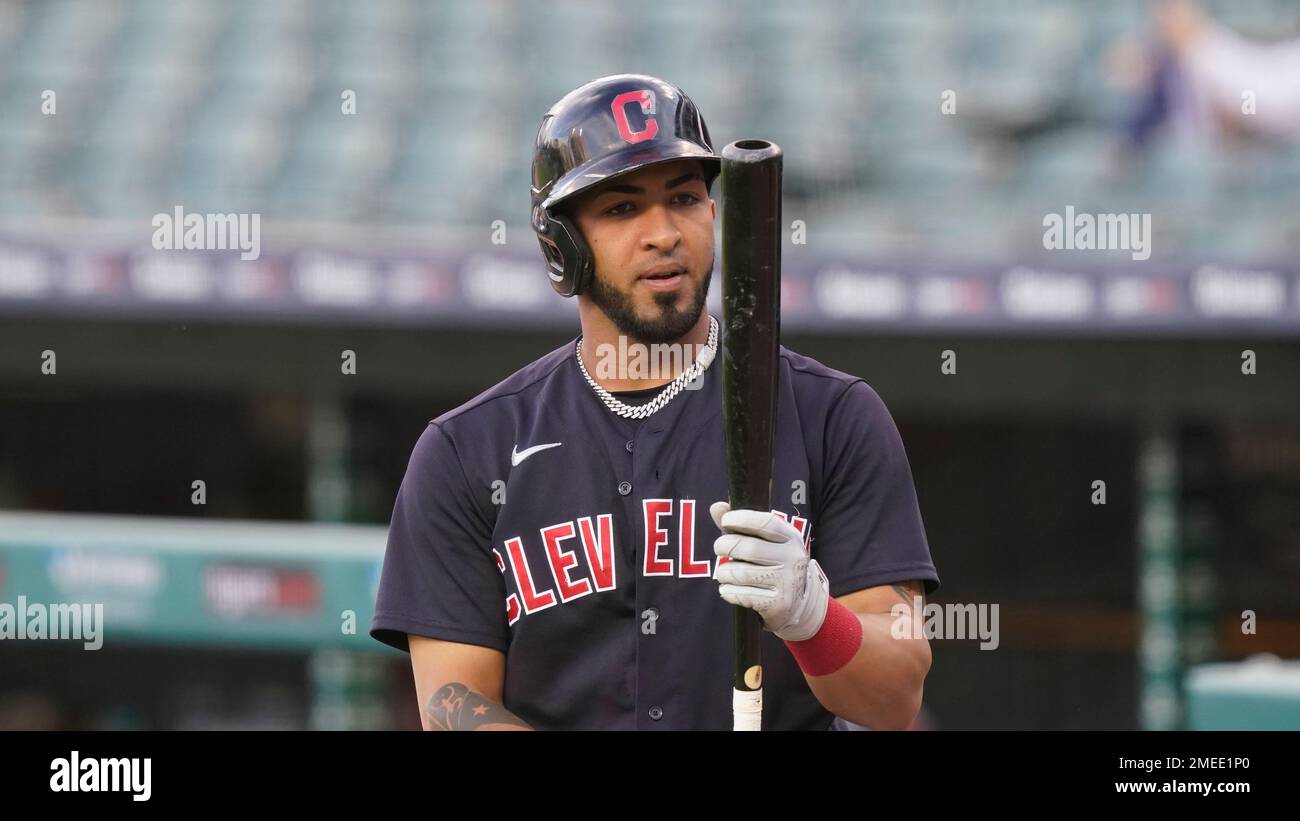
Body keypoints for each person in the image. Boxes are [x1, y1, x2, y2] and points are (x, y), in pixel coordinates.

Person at [371, 74, 940, 730]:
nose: (664, 232)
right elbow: (454, 705)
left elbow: (897, 697)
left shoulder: (833, 417)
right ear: (563, 246)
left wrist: (813, 616)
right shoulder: (467, 451)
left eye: (684, 197)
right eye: (622, 209)